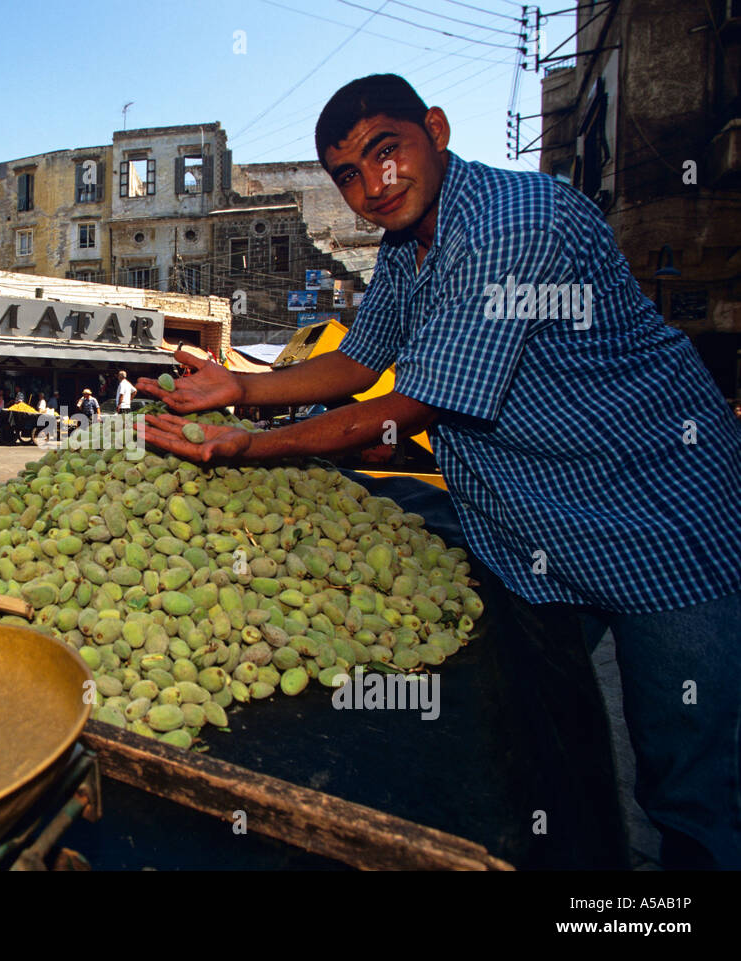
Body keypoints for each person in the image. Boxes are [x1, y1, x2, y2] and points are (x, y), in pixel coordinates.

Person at [138, 73, 741, 870]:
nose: (372, 187)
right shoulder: (405, 247)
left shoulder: (515, 222)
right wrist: (242, 389)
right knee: (547, 742)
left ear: (437, 128)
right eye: (348, 175)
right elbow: (358, 361)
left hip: (658, 513)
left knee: (689, 781)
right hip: (535, 525)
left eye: (386, 153)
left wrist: (250, 444)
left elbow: (411, 404)